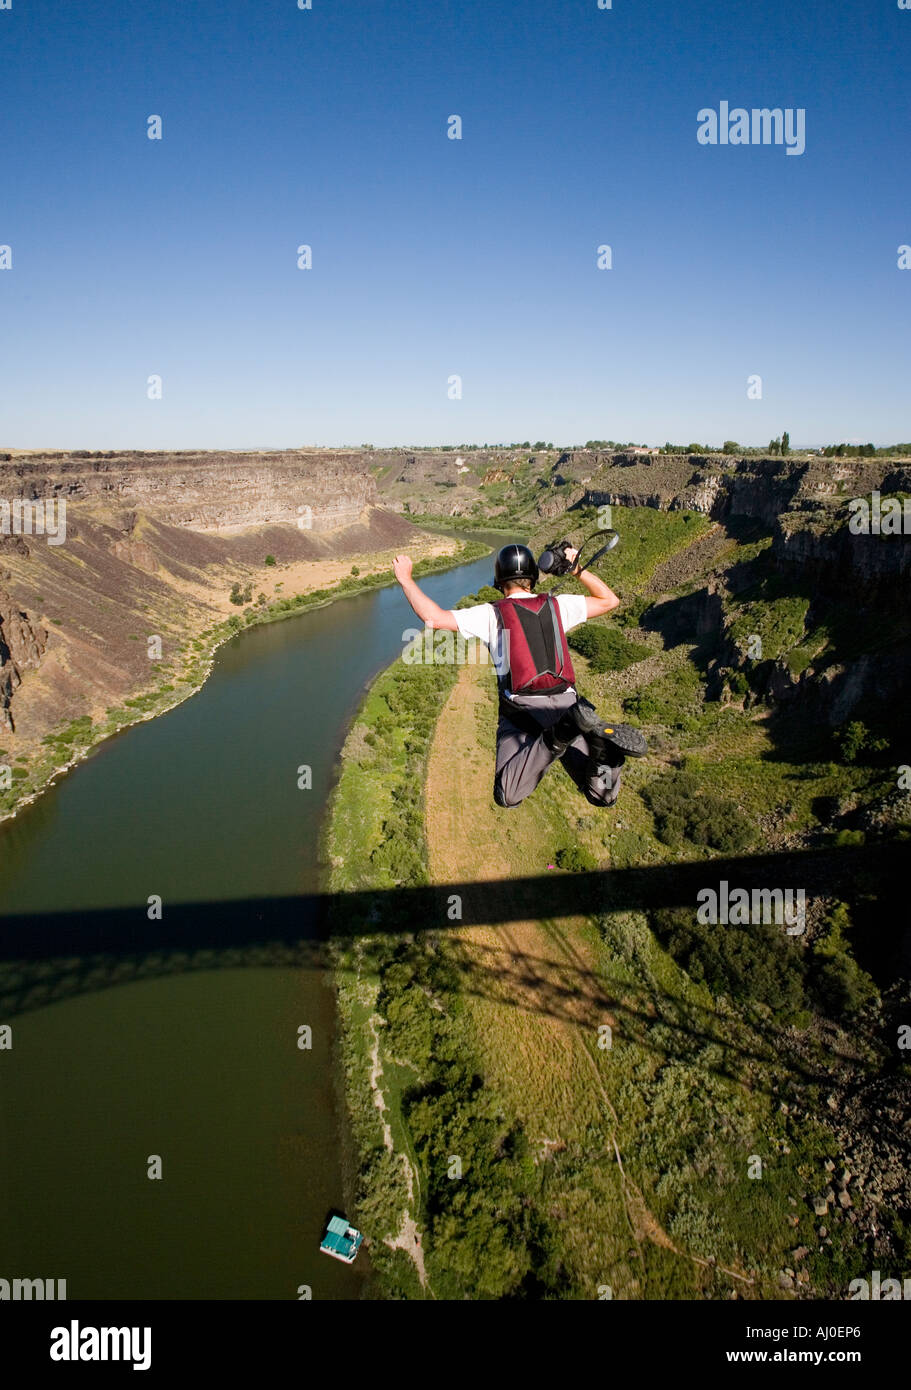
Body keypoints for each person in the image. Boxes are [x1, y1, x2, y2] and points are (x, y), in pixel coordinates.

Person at [392, 542, 646, 810]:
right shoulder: (558, 605)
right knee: (602, 796)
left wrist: (405, 579)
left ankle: (559, 735)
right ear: (533, 577)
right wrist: (576, 569)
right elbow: (610, 601)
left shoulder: (490, 613)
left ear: (500, 580)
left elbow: (434, 618)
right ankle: (604, 755)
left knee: (508, 794)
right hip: (569, 704)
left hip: (524, 711)